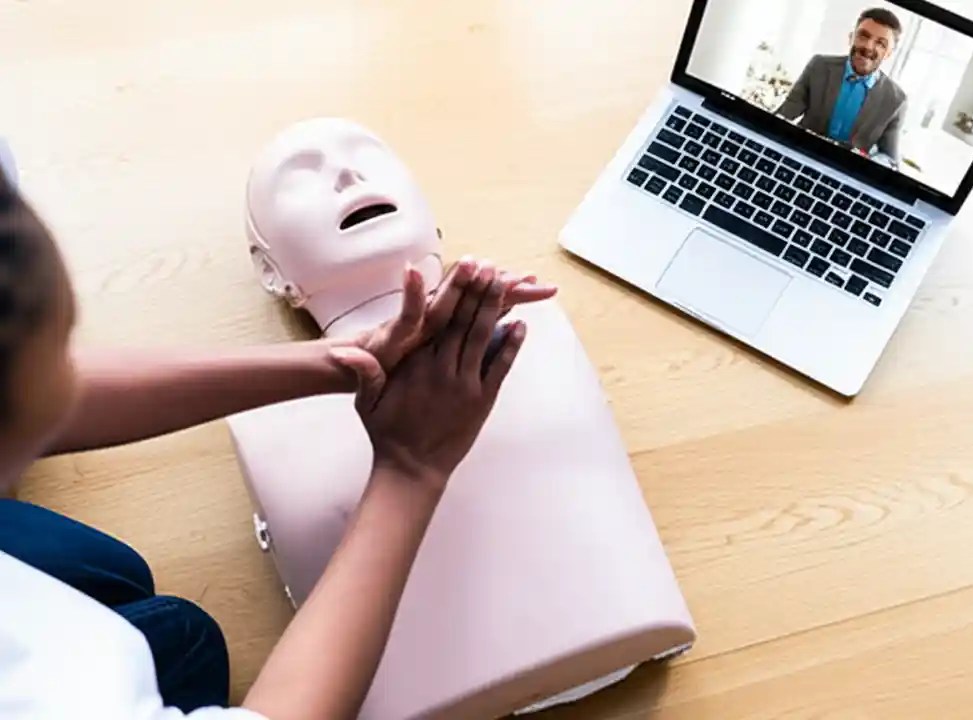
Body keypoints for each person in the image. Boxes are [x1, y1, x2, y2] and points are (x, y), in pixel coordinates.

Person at [0, 169, 558, 718]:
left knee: (125, 583)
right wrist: (412, 468)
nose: (347, 175)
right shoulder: (45, 690)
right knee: (184, 638)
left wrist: (343, 360)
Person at [776, 8, 908, 164]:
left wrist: (870, 160)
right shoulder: (819, 65)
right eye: (863, 36)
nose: (868, 46)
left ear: (888, 53)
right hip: (801, 155)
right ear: (851, 37)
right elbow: (784, 115)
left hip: (848, 171)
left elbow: (889, 158)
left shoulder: (897, 100)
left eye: (880, 43)